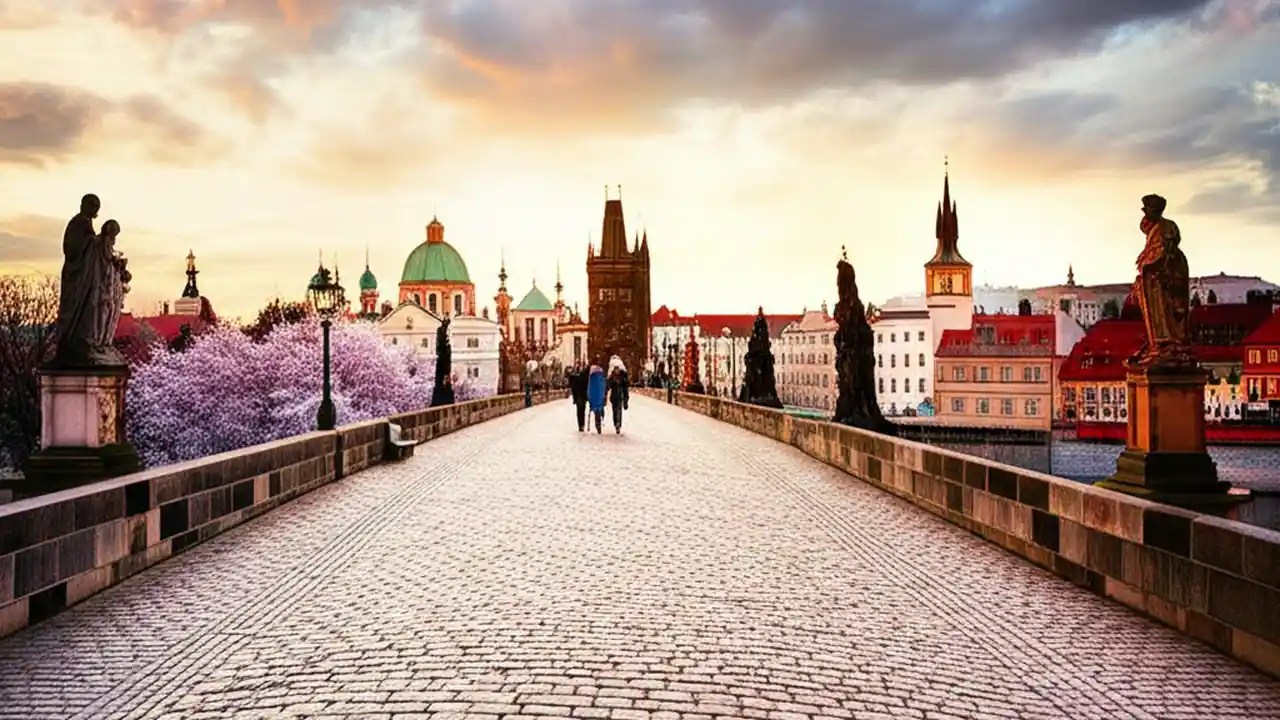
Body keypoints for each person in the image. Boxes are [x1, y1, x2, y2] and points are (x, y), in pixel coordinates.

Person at [607, 358, 630, 434]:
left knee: (619, 411)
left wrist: (626, 399)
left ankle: (618, 424)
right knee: (614, 411)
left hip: (620, 396)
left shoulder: (623, 377)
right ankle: (616, 423)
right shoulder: (611, 376)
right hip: (614, 397)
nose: (617, 370)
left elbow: (625, 389)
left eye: (618, 368)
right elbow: (608, 386)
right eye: (615, 368)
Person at [567, 360, 589, 431]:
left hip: (583, 394)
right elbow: (570, 383)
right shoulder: (574, 375)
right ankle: (581, 425)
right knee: (580, 409)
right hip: (578, 395)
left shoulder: (584, 374)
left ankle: (582, 424)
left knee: (582, 409)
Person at [586, 363, 607, 434]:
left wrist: (589, 397)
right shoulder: (601, 378)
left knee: (596, 412)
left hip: (594, 399)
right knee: (599, 410)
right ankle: (599, 424)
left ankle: (598, 425)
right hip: (600, 398)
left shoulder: (591, 379)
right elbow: (603, 387)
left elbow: (589, 389)